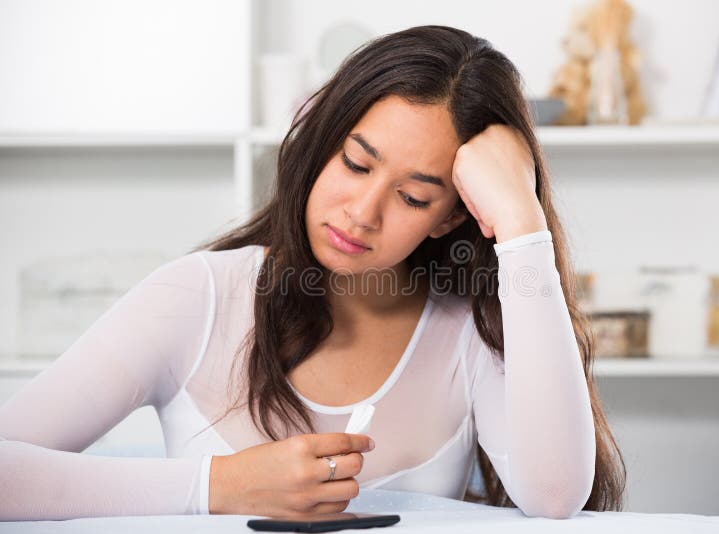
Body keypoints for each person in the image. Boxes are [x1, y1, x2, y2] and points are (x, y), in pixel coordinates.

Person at [0, 25, 625, 521]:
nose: (362, 213)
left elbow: (554, 496)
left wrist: (520, 218)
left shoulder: (466, 329)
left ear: (449, 218)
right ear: (321, 141)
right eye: (356, 164)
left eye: (413, 197)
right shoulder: (197, 297)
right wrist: (217, 487)